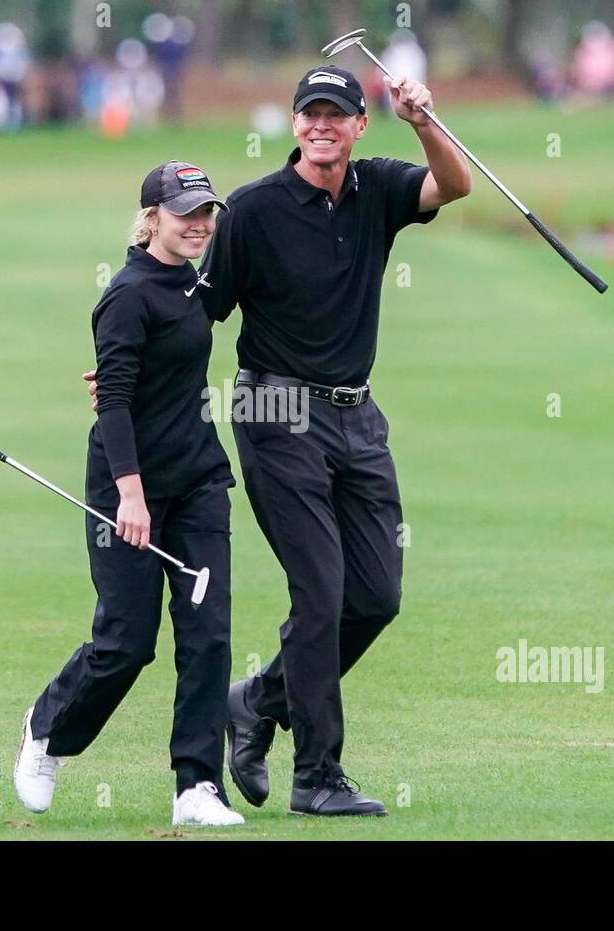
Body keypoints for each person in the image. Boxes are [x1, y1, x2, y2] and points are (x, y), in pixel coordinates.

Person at [200, 66, 471, 815]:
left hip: (357, 414)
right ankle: (317, 778)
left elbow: (454, 186)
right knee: (320, 594)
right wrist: (134, 377)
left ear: (359, 126)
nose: (321, 125)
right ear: (295, 125)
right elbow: (203, 313)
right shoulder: (252, 211)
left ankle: (255, 700)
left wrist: (423, 119)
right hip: (276, 410)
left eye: (336, 115)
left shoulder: (379, 188)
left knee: (375, 597)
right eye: (309, 113)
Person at [14, 160, 244, 827]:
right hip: (129, 486)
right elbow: (112, 402)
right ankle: (46, 728)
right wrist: (131, 497)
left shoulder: (197, 282)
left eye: (205, 213)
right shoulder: (126, 296)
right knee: (126, 642)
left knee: (208, 634)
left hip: (200, 479)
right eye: (184, 213)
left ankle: (196, 787)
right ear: (151, 220)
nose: (198, 224)